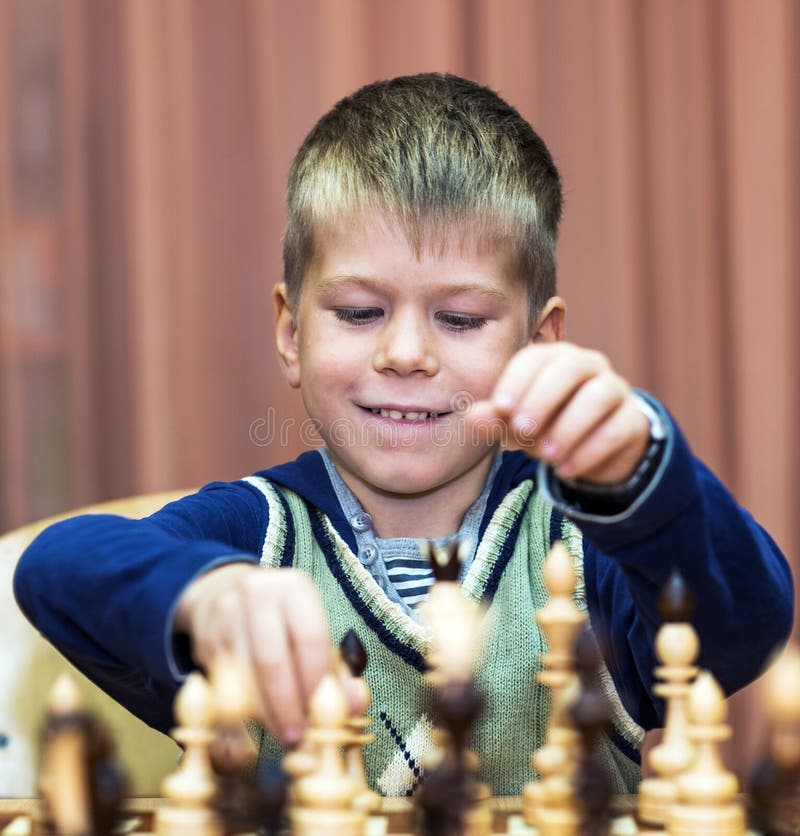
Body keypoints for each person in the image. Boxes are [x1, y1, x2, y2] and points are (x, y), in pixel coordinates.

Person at [14, 73, 793, 796]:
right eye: (359, 312)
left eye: (459, 319)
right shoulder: (254, 537)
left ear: (538, 344)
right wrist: (207, 599)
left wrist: (640, 473)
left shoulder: (584, 553)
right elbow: (56, 570)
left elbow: (744, 625)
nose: (406, 354)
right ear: (290, 332)